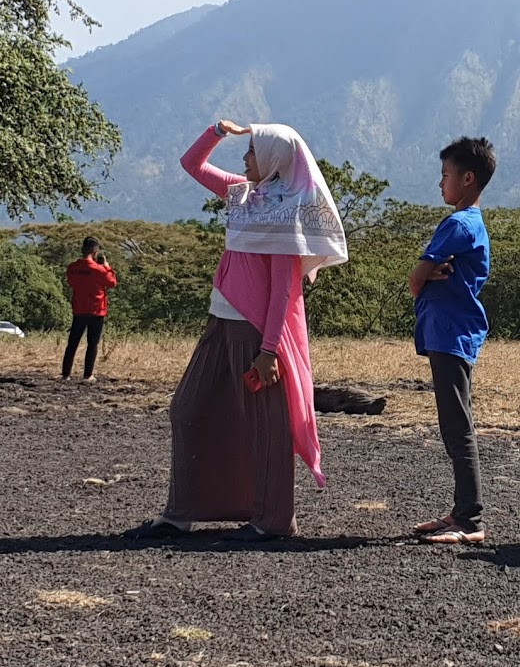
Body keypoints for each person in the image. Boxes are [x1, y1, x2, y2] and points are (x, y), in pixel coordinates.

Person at [125, 119, 347, 542]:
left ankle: (273, 520)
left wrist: (268, 351)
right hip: (219, 319)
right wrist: (216, 131)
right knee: (187, 408)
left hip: (255, 331)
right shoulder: (243, 196)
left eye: (253, 152)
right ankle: (182, 511)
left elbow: (284, 290)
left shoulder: (287, 213)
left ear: (273, 160)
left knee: (266, 426)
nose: (245, 159)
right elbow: (192, 164)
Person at [409, 137, 494, 545]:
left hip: (450, 334)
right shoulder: (472, 224)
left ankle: (470, 520)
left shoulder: (458, 225)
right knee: (454, 424)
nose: (440, 183)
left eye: (445, 175)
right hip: (452, 333)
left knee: (457, 427)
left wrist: (425, 274)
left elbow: (414, 279)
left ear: (468, 178)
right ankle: (461, 511)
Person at [62, 237, 117, 382]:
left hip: (79, 309)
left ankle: (65, 374)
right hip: (96, 310)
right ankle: (88, 375)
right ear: (95, 251)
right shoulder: (98, 269)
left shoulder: (73, 268)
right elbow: (111, 282)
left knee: (72, 342)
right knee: (92, 343)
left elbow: (71, 282)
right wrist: (107, 266)